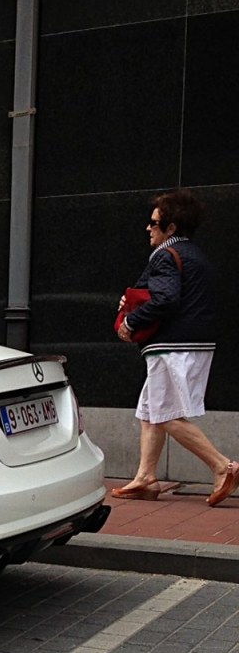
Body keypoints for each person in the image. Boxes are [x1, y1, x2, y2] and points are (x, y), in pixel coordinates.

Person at [114, 189, 239, 506]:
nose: (148, 228)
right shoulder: (195, 255)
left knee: (165, 413)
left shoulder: (165, 256)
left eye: (155, 223)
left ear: (171, 228)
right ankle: (145, 477)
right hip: (192, 343)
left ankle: (222, 466)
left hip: (173, 346)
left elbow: (166, 298)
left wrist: (131, 321)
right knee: (150, 409)